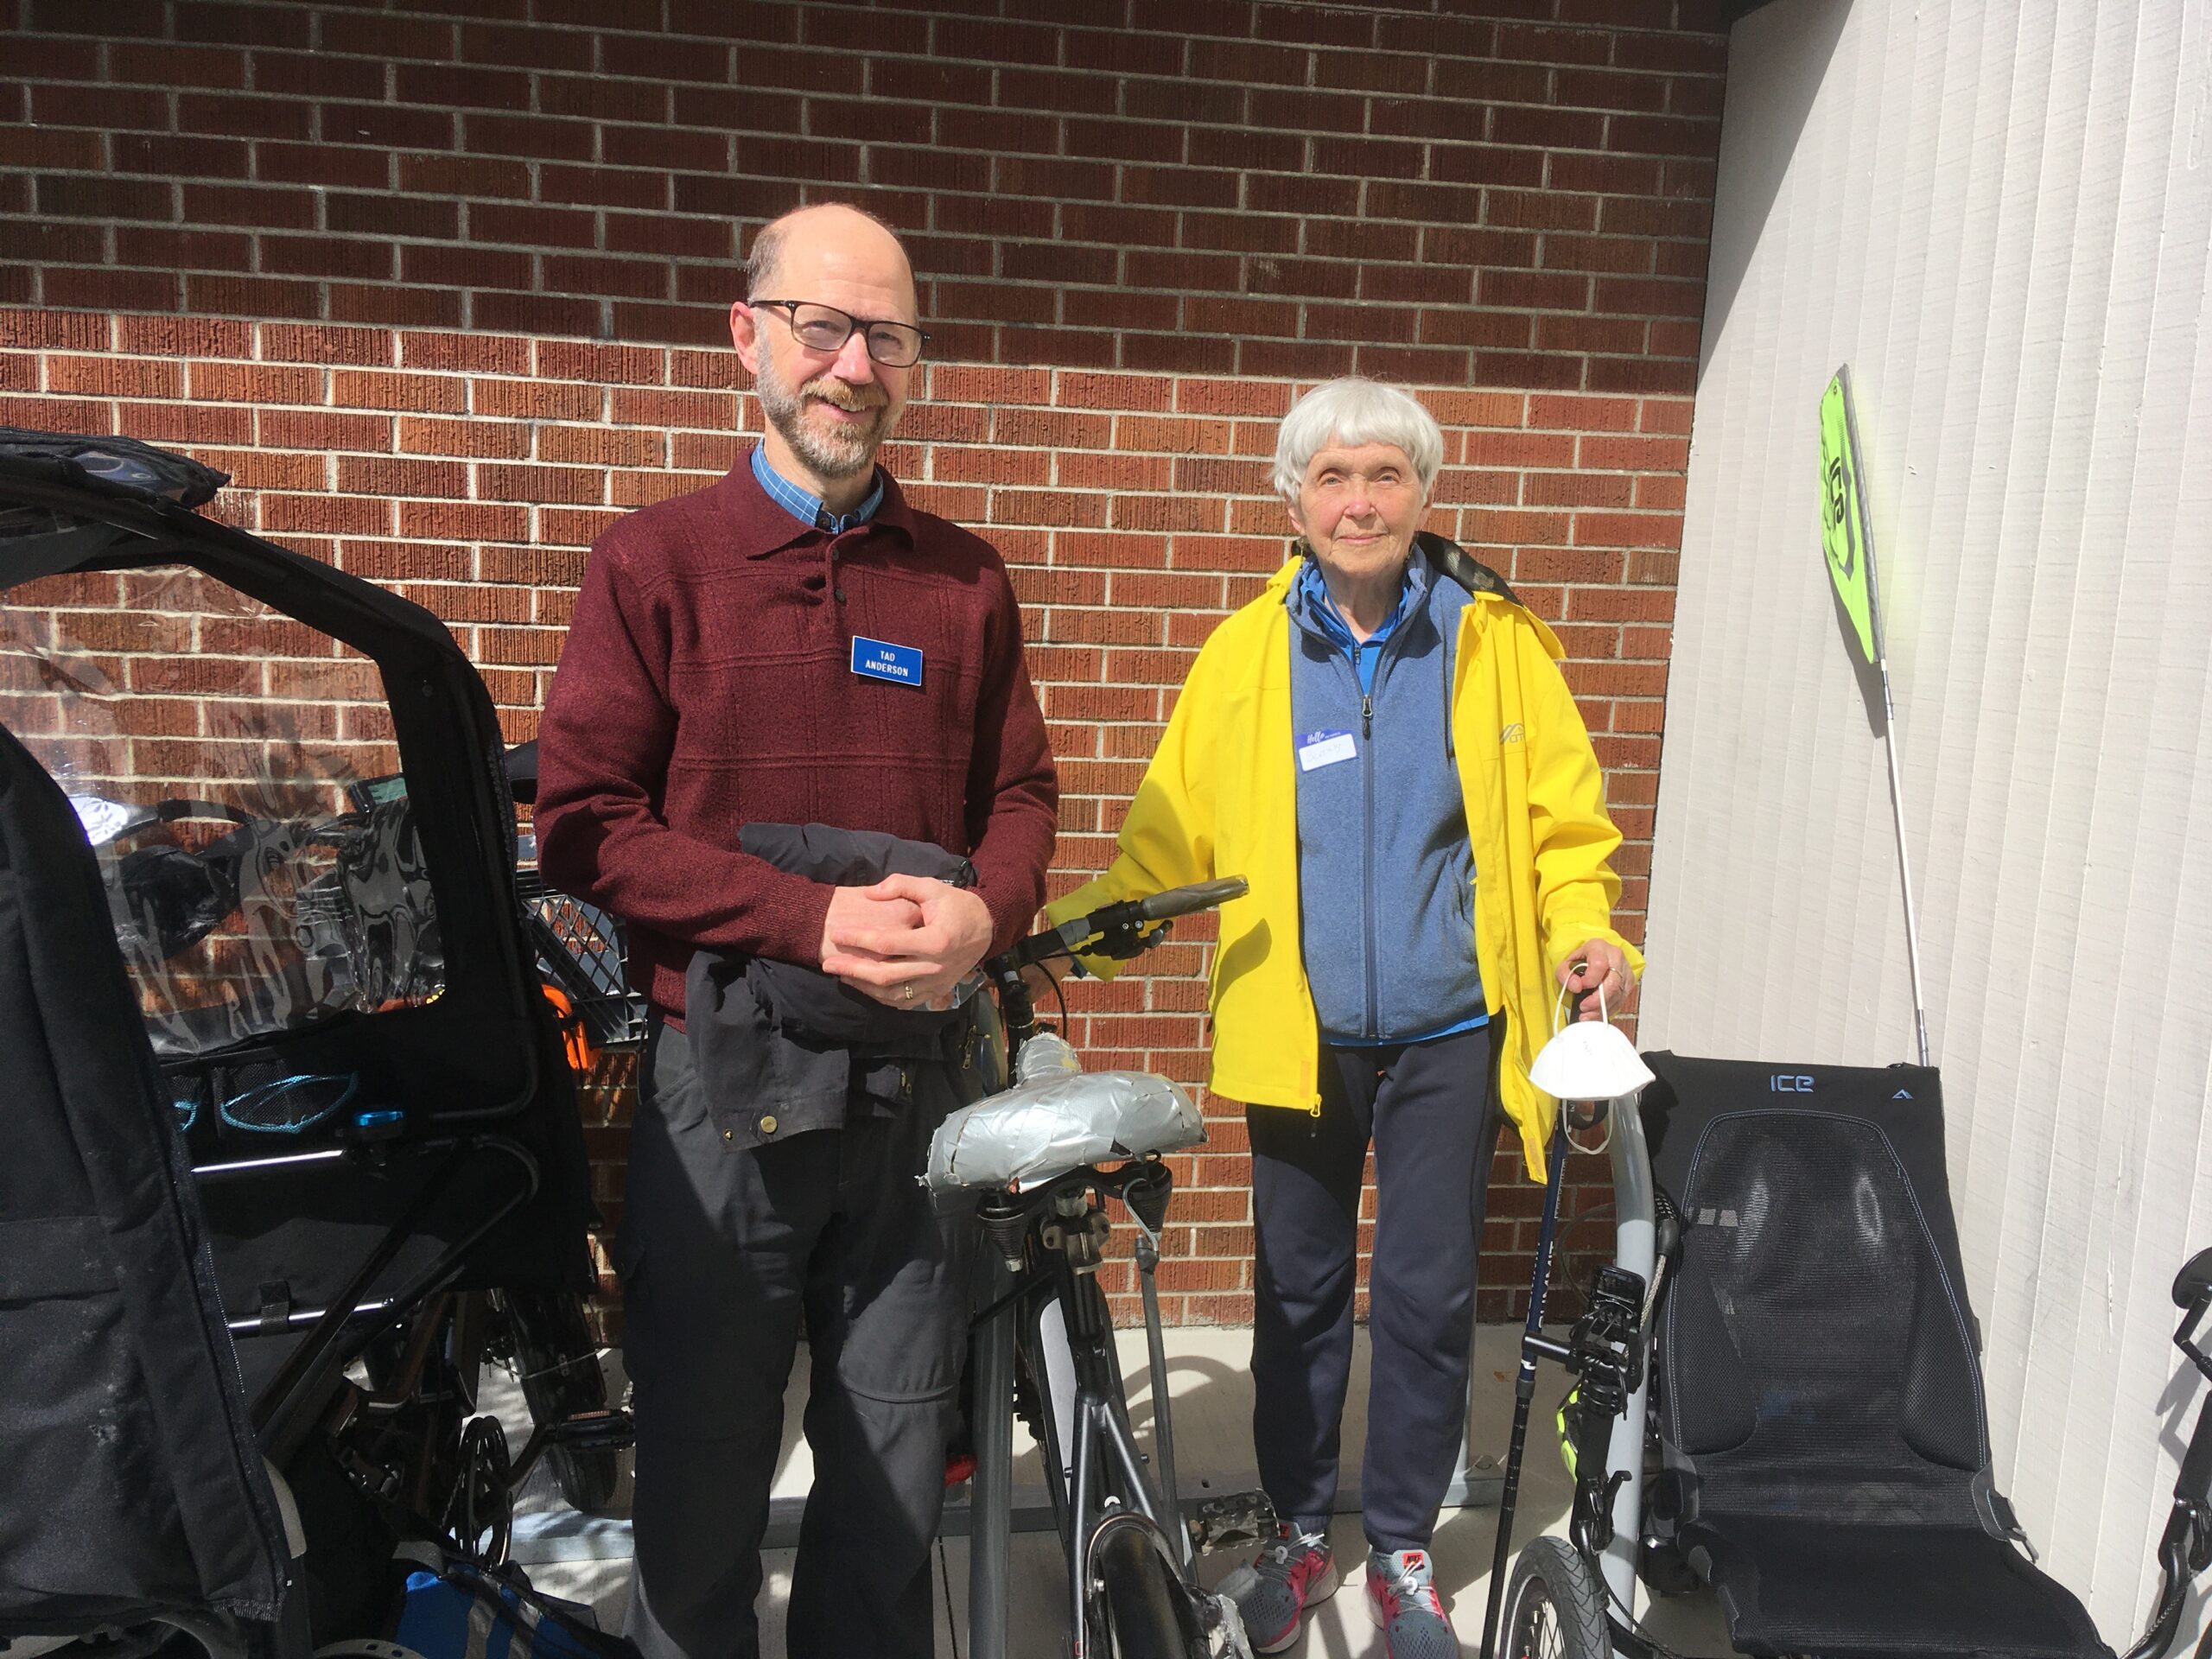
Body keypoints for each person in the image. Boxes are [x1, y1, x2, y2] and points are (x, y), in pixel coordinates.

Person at [1040, 377, 1640, 1658]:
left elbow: (1563, 831)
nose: (1359, 500)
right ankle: (1302, 1531)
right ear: (1293, 500)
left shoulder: (1495, 643)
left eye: (1385, 476)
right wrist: (1062, 934)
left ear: (1426, 493)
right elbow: (1164, 837)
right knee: (1299, 1292)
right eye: (1332, 477)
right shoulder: (1246, 652)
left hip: (1450, 1033)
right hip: (1297, 1037)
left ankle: (1407, 1550)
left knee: (1426, 1297)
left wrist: (1588, 927)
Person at [534, 202, 1057, 1659]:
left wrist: (984, 915)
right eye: (823, 326)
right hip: (724, 1097)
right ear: (747, 336)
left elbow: (1020, 793)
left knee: (893, 1494)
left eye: (886, 335)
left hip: (914, 1093)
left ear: (916, 364)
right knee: (700, 1491)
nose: (853, 364)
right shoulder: (659, 564)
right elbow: (580, 820)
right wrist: (807, 918)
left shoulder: (964, 580)